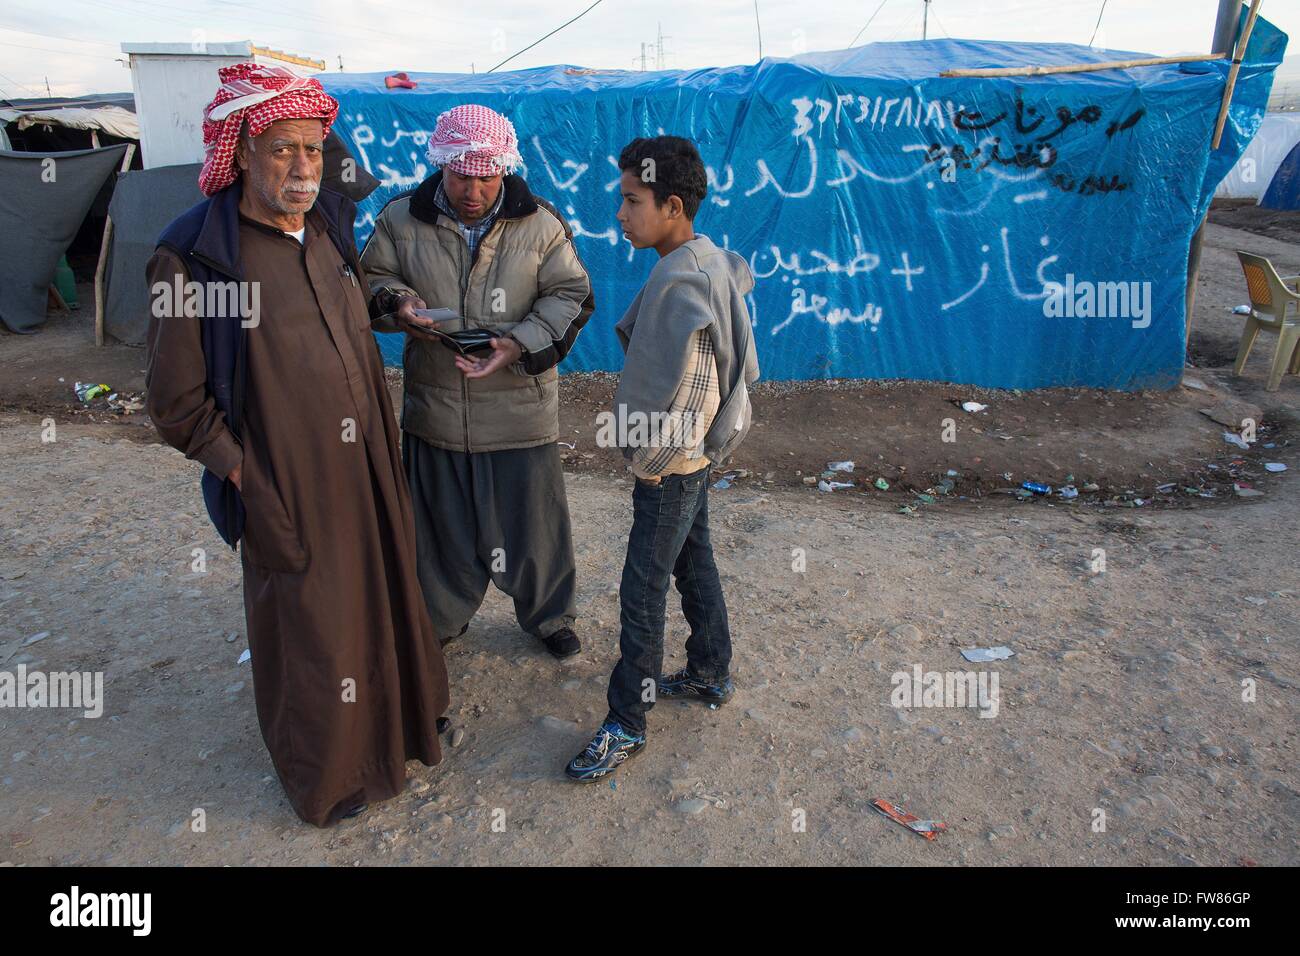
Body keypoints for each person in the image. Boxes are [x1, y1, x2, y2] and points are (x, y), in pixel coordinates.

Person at [144, 63, 449, 826]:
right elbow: (175, 404)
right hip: (284, 478)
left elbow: (343, 306)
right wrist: (246, 476)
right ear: (242, 151)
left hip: (368, 462)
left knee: (382, 590)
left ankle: (404, 729)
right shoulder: (194, 255)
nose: (304, 167)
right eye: (282, 149)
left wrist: (392, 302)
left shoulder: (328, 228)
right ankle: (329, 774)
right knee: (313, 623)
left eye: (313, 150)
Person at [361, 104, 594, 660]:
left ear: (505, 170)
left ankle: (549, 617)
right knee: (438, 535)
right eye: (462, 175)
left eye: (487, 176)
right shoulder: (400, 219)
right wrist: (400, 303)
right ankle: (439, 619)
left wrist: (518, 344)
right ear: (440, 165)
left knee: (535, 530)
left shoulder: (541, 223)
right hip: (435, 413)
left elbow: (571, 295)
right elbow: (371, 278)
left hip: (519, 413)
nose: (473, 189)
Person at [566, 136, 760, 782]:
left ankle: (627, 720)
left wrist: (653, 462)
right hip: (694, 457)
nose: (620, 215)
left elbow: (690, 387)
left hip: (674, 459)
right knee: (691, 557)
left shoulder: (682, 280)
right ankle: (709, 671)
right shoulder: (702, 260)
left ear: (672, 206)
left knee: (642, 585)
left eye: (631, 201)